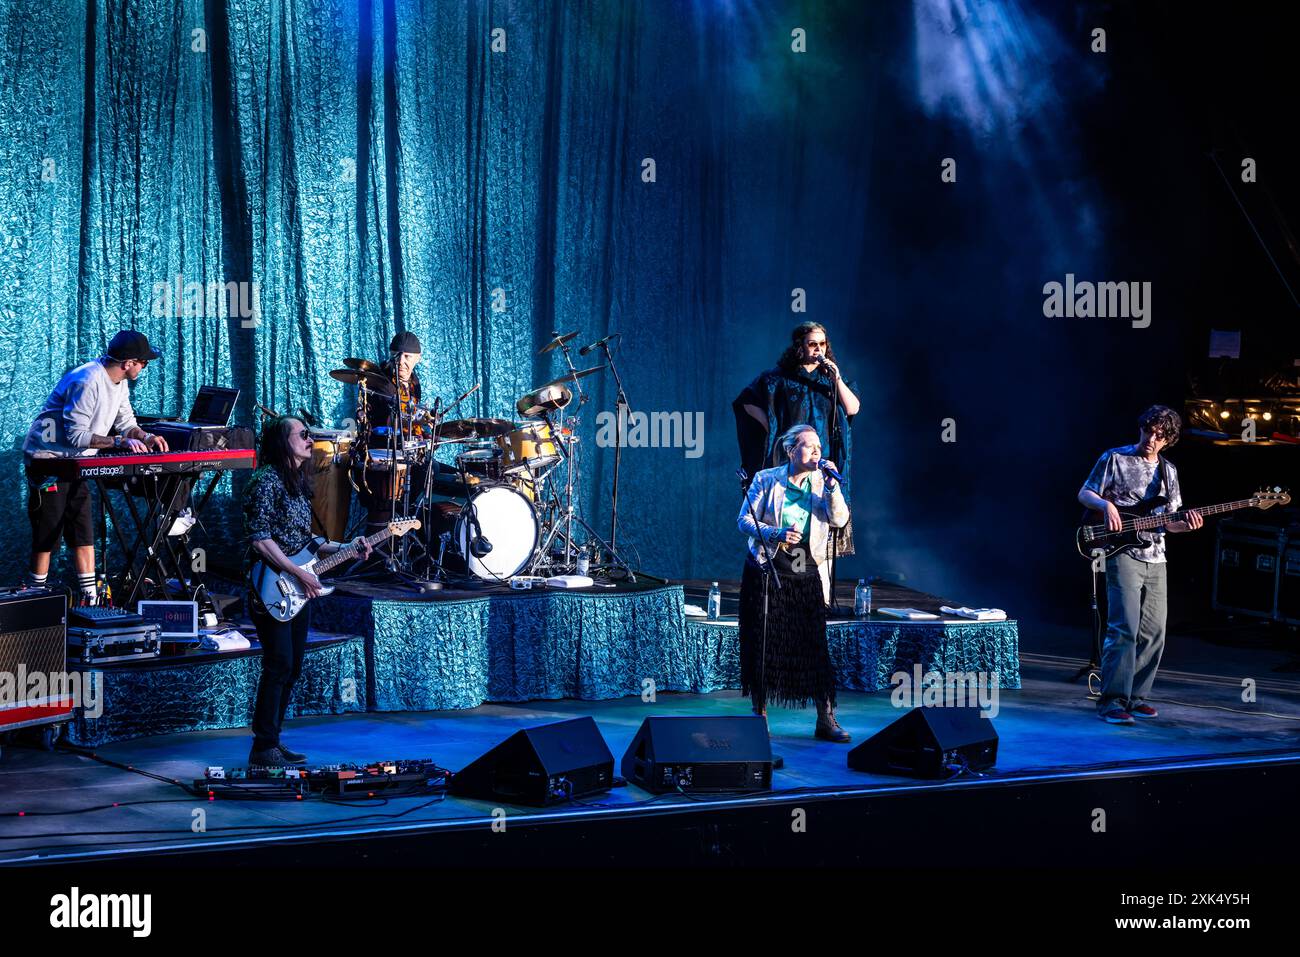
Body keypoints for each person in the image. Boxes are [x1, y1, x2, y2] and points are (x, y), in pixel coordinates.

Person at [243, 416, 372, 765]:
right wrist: (297, 572)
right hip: (270, 583)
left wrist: (347, 546)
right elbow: (259, 538)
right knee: (279, 662)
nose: (309, 438)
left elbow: (308, 542)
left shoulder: (298, 483)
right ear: (282, 442)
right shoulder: (266, 481)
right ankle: (262, 745)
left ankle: (271, 741)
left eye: (309, 434)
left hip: (296, 587)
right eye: (301, 434)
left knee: (293, 665)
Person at [1078, 405, 1203, 726]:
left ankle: (1136, 697)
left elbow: (1171, 522)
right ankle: (1112, 700)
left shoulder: (1169, 472)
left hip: (1156, 556)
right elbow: (1085, 493)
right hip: (1122, 552)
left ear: (1168, 439)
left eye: (1160, 435)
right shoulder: (1115, 458)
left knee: (1154, 631)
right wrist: (1106, 505)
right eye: (1149, 431)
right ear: (1142, 428)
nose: (1152, 438)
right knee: (1124, 628)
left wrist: (1187, 525)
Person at [22, 330, 169, 604]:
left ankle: (90, 599)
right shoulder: (88, 380)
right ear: (128, 363)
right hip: (49, 460)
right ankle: (34, 597)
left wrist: (145, 437)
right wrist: (118, 441)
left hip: (77, 462)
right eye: (143, 363)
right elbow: (77, 435)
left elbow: (127, 423)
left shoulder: (121, 382)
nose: (144, 367)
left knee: (82, 528)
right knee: (48, 532)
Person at [737, 424, 851, 742]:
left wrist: (831, 487)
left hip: (807, 573)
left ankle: (825, 718)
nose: (817, 451)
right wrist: (774, 532)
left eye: (819, 447)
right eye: (809, 446)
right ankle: (759, 716)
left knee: (814, 646)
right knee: (763, 644)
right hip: (768, 570)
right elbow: (743, 520)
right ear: (791, 450)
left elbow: (840, 519)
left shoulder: (822, 482)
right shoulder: (766, 479)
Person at [733, 321, 860, 568]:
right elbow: (745, 401)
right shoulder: (778, 379)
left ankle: (817, 584)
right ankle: (774, 575)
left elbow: (853, 408)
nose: (819, 350)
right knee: (782, 515)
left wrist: (836, 379)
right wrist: (772, 426)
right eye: (812, 344)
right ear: (799, 347)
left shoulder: (830, 379)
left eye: (822, 344)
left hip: (820, 460)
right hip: (790, 461)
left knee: (821, 518)